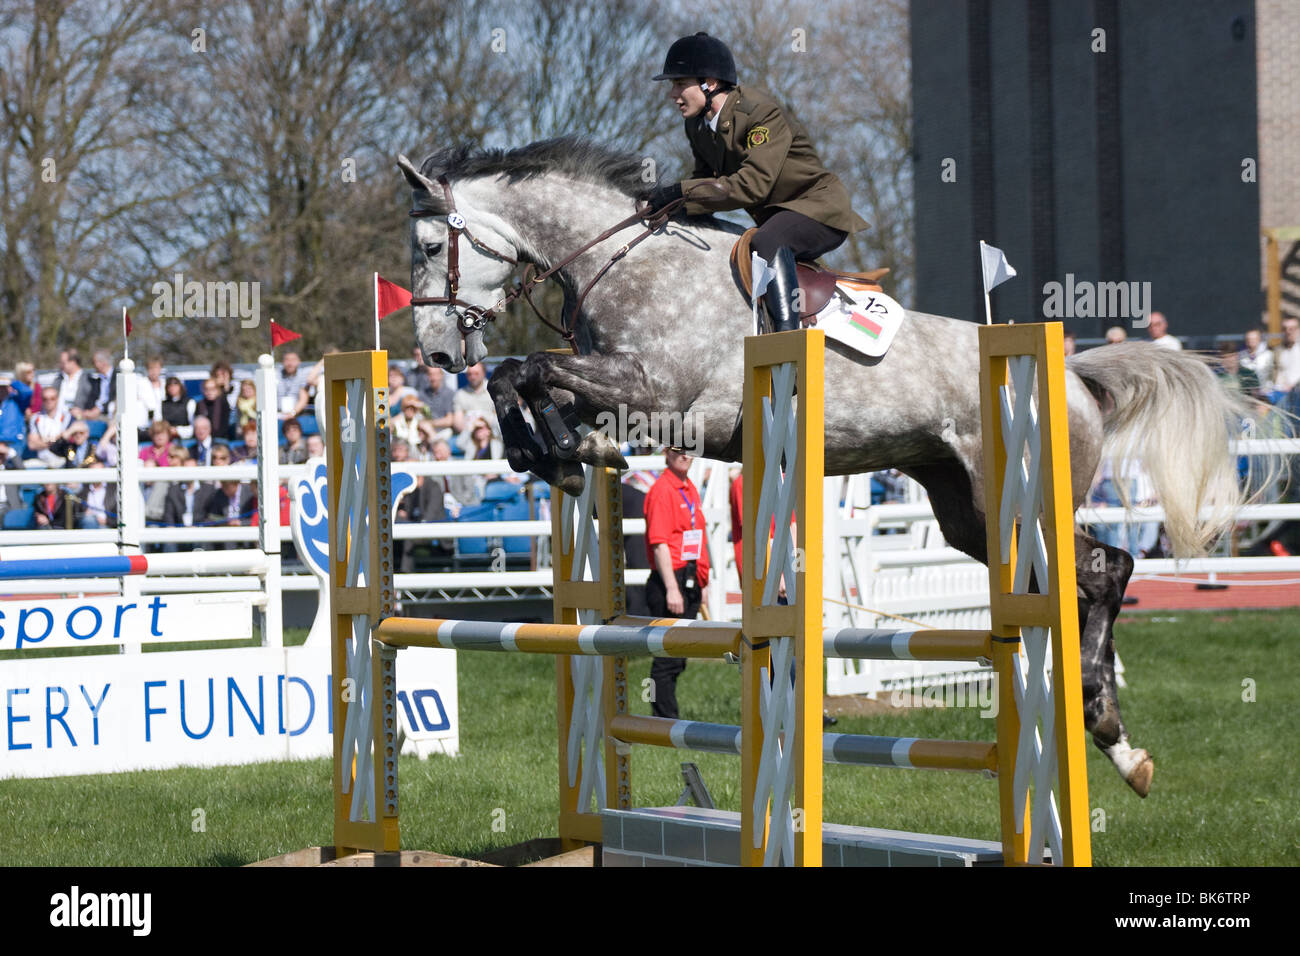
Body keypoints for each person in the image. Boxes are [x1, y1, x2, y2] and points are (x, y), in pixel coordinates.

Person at [646, 32, 867, 334]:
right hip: (779, 217)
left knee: (766, 242)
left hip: (819, 210)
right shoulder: (696, 125)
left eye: (679, 84)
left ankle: (787, 339)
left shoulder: (759, 114)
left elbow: (752, 185)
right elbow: (705, 182)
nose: (672, 94)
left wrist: (679, 192)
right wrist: (671, 206)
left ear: (708, 83)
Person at [643, 447, 710, 719]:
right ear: (666, 454)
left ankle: (666, 716)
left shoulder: (689, 487)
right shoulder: (662, 490)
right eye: (677, 450)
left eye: (689, 450)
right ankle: (663, 718)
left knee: (677, 657)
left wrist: (701, 583)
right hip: (671, 578)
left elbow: (695, 536)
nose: (684, 455)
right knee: (667, 657)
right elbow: (659, 544)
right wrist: (672, 587)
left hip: (690, 576)